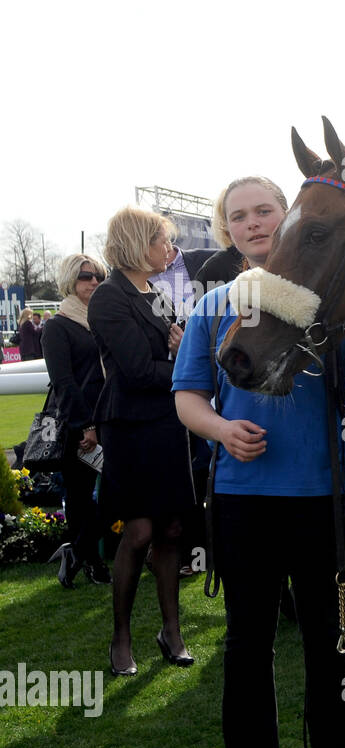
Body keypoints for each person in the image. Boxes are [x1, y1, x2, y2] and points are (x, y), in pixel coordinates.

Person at [173, 175, 345, 748]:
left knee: (331, 636)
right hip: (244, 502)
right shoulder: (214, 307)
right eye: (237, 216)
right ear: (226, 230)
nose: (252, 223)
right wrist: (221, 429)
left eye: (264, 210)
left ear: (290, 215)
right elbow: (188, 398)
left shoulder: (337, 304)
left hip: (324, 498)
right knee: (248, 641)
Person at [89, 207, 194, 676]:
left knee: (171, 530)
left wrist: (182, 353)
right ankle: (121, 637)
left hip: (167, 422)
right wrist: (184, 366)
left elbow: (178, 345)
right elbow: (134, 370)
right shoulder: (109, 297)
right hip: (131, 425)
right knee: (140, 532)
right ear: (137, 242)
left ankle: (171, 632)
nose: (169, 250)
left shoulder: (155, 293)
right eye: (162, 241)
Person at [42, 254, 112, 587]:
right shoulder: (57, 326)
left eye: (99, 275)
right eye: (87, 276)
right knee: (81, 496)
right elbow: (63, 382)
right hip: (79, 425)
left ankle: (77, 551)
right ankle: (94, 563)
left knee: (118, 493)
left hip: (110, 418)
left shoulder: (102, 320)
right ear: (72, 280)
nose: (94, 281)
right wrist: (86, 426)